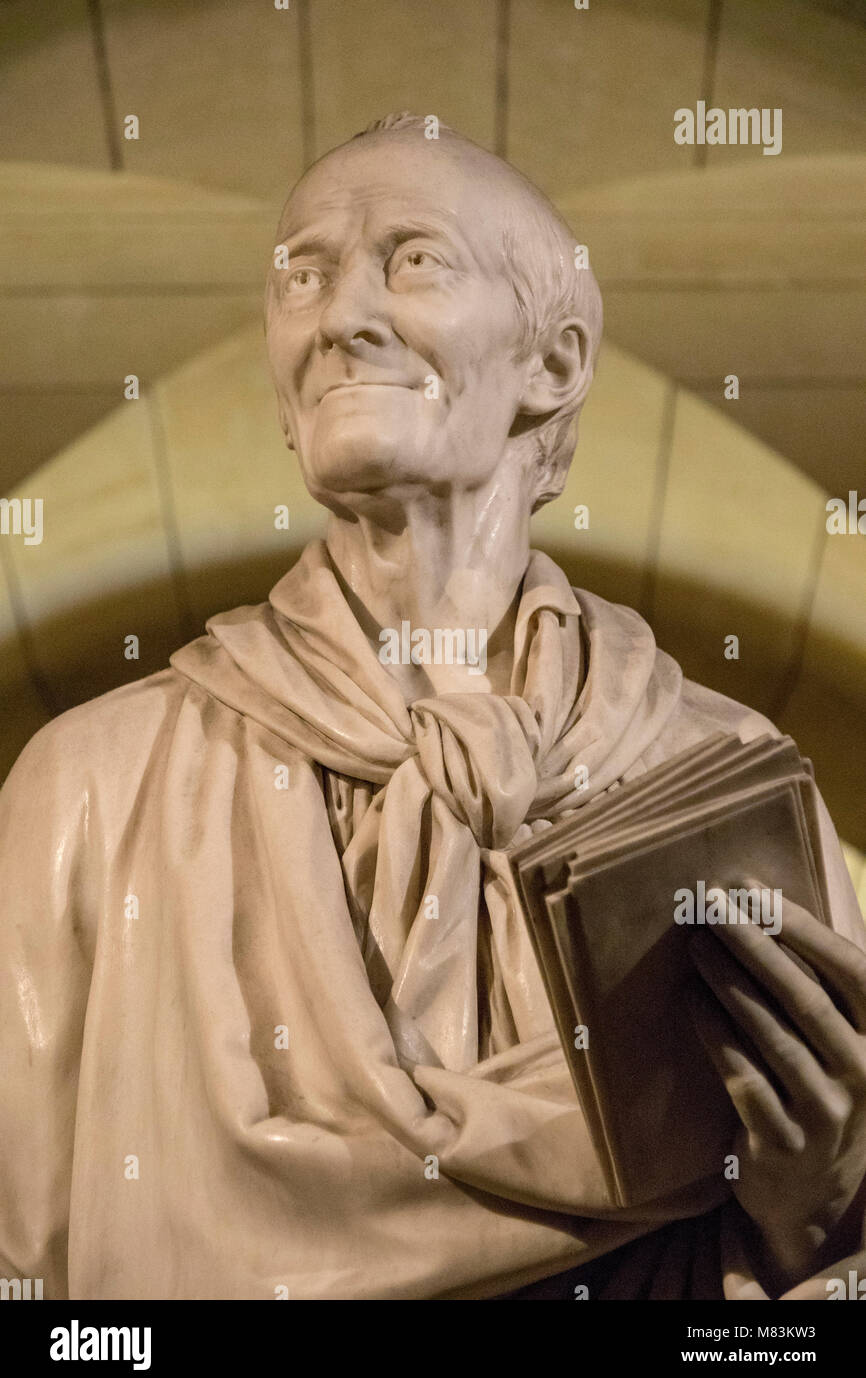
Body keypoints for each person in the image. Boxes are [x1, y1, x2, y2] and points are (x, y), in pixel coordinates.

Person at [1, 113, 864, 1301]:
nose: (337, 316)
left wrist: (803, 1216)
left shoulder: (719, 785)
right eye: (300, 275)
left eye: (411, 261)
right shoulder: (91, 790)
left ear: (552, 364)